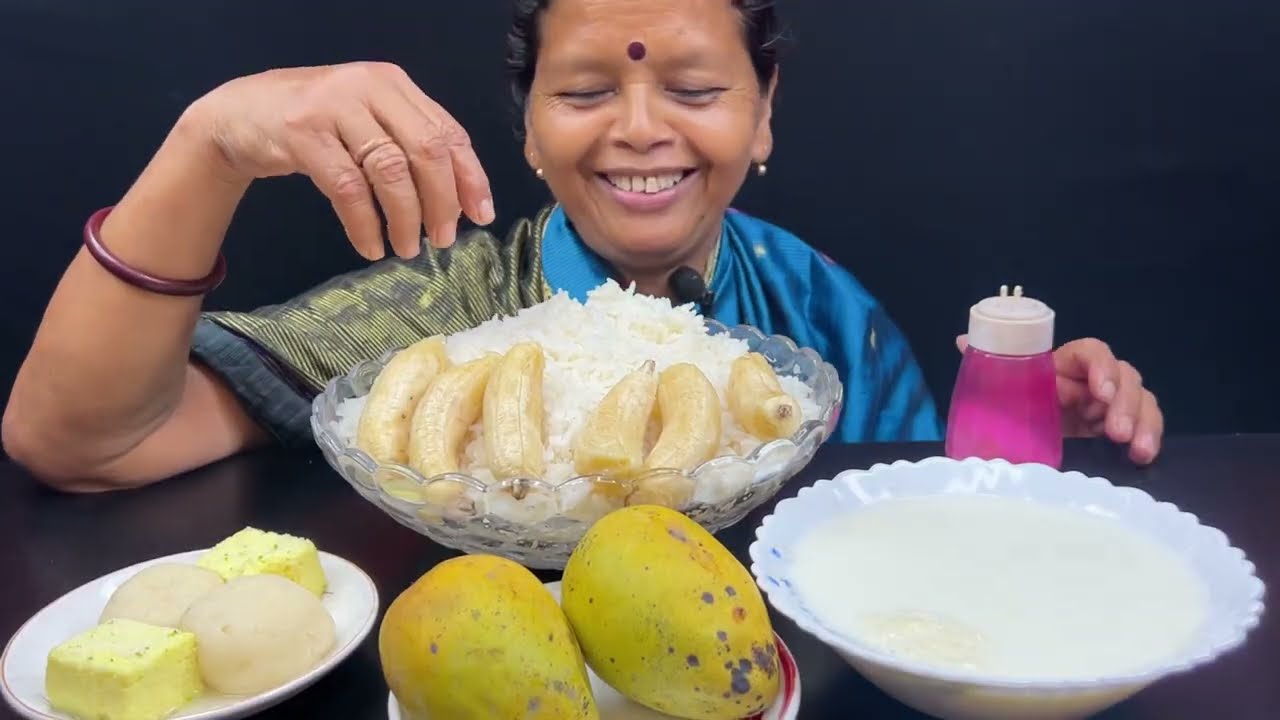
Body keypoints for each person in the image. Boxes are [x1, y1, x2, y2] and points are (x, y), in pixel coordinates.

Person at [2, 0, 1163, 492]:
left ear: (763, 116)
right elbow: (85, 444)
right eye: (584, 90)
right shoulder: (442, 312)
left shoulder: (822, 307)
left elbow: (913, 509)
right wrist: (206, 146)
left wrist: (1019, 427)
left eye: (694, 89)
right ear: (526, 129)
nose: (640, 128)